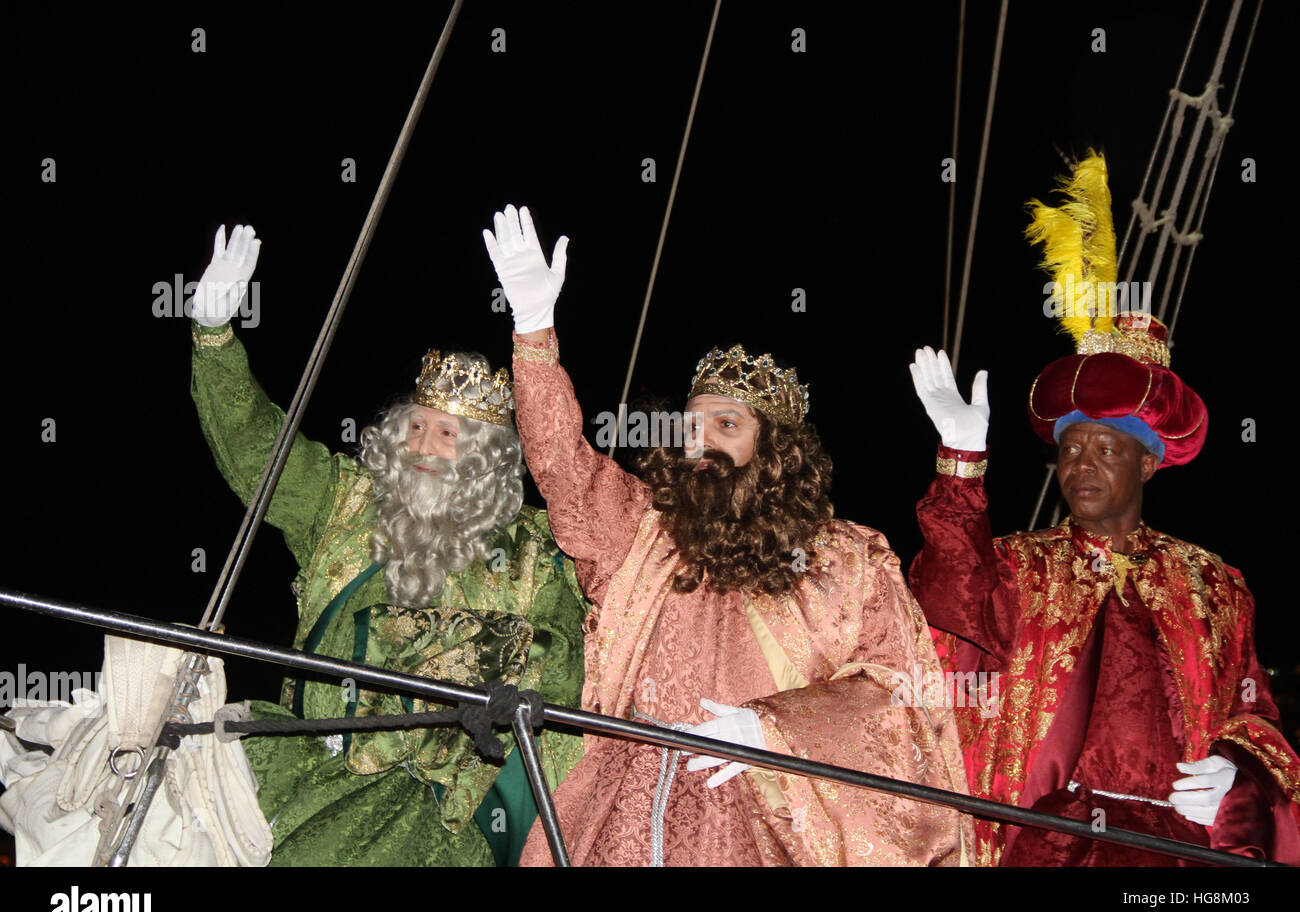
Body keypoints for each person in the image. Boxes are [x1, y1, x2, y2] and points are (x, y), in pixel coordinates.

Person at [482, 204, 973, 866]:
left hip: (761, 813)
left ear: (774, 451)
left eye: (728, 426)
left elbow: (895, 691)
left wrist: (774, 729)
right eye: (690, 425)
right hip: (621, 807)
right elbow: (562, 465)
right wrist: (535, 334)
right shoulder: (640, 525)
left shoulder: (848, 557)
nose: (700, 442)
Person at [907, 153, 1300, 865]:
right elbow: (948, 609)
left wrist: (1237, 777)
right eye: (1071, 448)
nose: (1081, 464)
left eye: (1105, 450)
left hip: (1183, 850)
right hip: (1050, 842)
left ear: (1148, 462)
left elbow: (1254, 715)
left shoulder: (1214, 586)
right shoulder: (1020, 566)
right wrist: (961, 464)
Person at [189, 224, 588, 866]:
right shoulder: (344, 500)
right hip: (308, 761)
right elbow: (258, 452)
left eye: (449, 435)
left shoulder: (537, 555)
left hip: (437, 816)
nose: (424, 447)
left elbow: (564, 669)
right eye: (417, 427)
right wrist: (215, 340)